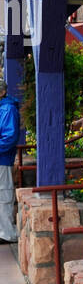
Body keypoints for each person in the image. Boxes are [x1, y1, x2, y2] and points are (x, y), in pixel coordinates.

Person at [0, 80, 21, 243]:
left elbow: (9, 137)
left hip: (2, 159)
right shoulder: (4, 108)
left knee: (4, 195)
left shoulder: (7, 109)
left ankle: (7, 234)